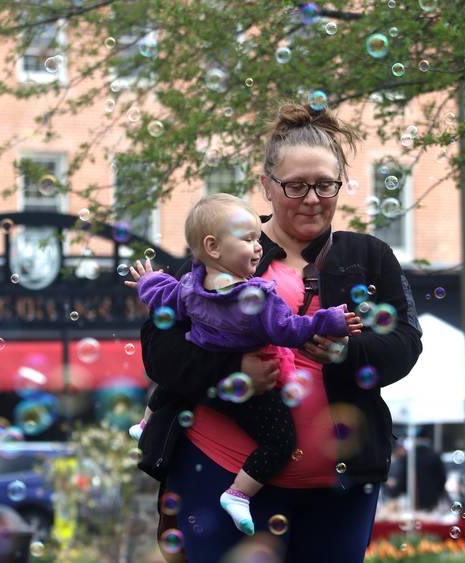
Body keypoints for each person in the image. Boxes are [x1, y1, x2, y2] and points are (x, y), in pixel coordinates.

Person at [138, 103, 423, 563]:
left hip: (340, 487)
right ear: (267, 185)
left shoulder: (369, 256)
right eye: (295, 185)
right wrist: (235, 369)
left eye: (325, 184)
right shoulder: (220, 248)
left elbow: (405, 345)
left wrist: (345, 352)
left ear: (340, 183)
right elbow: (158, 349)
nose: (312, 198)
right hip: (218, 474)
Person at [125, 193, 362, 535]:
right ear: (214, 247)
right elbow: (291, 330)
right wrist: (330, 321)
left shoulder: (191, 285)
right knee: (280, 442)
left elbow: (164, 298)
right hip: (251, 391)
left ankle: (145, 423)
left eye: (257, 239)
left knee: (178, 382)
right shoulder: (260, 297)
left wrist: (146, 281)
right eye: (248, 239)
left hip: (206, 387)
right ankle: (238, 494)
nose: (257, 247)